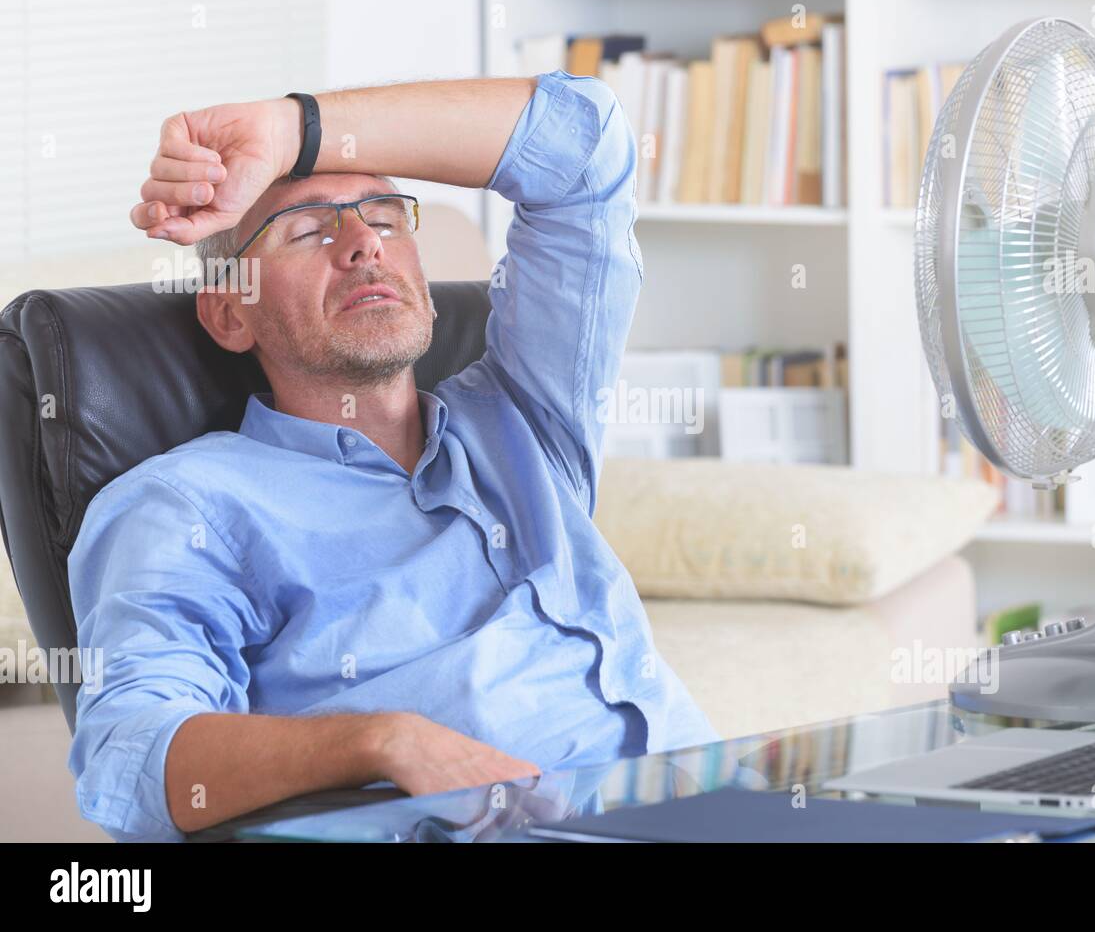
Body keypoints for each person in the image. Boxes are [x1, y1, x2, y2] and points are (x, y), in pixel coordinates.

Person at [67, 71, 719, 842]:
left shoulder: (528, 419)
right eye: (309, 230)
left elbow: (584, 145)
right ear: (228, 312)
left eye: (385, 216)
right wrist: (381, 738)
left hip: (721, 809)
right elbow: (130, 757)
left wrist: (290, 129)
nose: (364, 242)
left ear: (428, 289)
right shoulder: (188, 504)